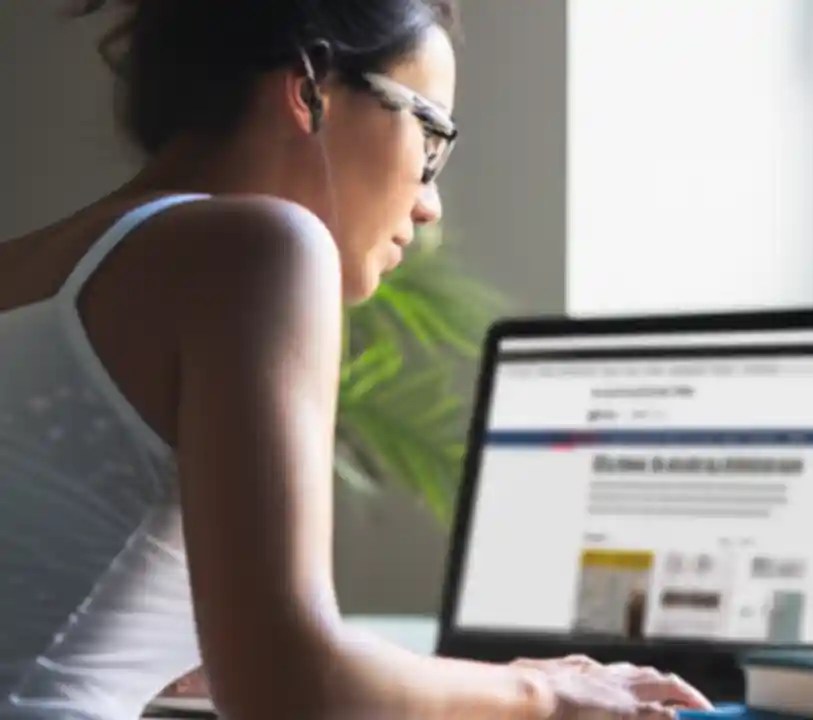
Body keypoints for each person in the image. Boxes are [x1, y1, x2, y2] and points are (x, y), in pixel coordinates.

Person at [0, 1, 713, 718]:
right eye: (431, 133)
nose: (430, 203)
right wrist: (545, 691)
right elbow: (292, 687)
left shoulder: (23, 269)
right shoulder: (263, 247)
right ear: (310, 86)